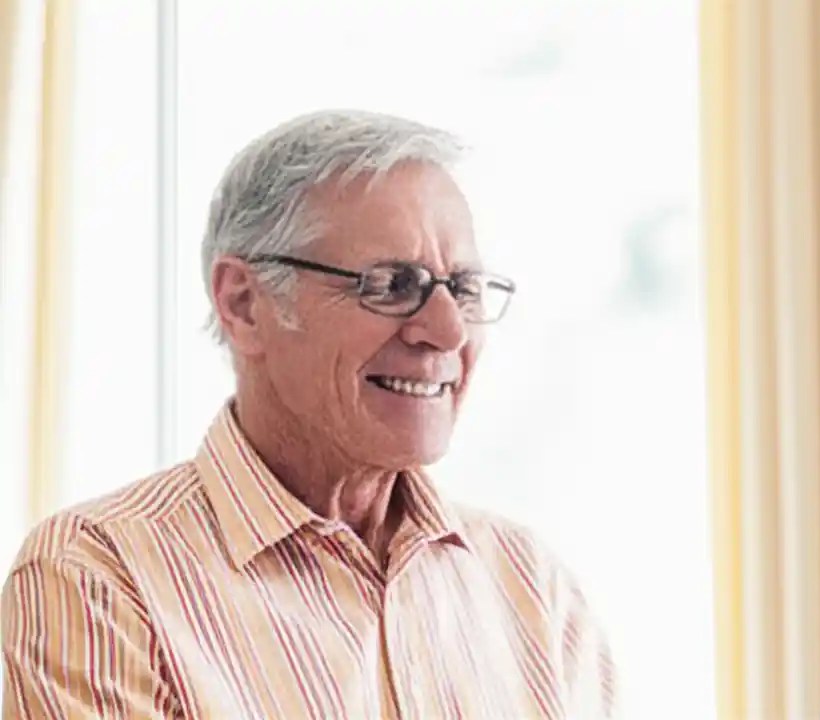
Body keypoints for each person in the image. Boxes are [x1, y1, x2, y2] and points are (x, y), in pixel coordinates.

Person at [2, 110, 614, 719]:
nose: (448, 331)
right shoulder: (98, 579)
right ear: (244, 304)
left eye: (464, 287)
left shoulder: (533, 588)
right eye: (393, 284)